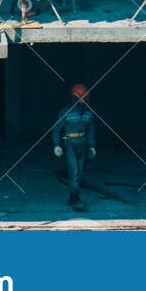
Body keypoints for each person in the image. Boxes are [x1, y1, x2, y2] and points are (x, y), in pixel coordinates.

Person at [52, 83, 96, 212]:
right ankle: (75, 198)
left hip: (82, 145)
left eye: (84, 98)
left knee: (79, 172)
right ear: (74, 98)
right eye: (80, 98)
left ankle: (72, 196)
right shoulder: (65, 112)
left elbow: (90, 129)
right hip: (70, 144)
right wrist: (56, 145)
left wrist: (92, 146)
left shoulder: (88, 113)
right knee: (74, 171)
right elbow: (56, 129)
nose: (82, 100)